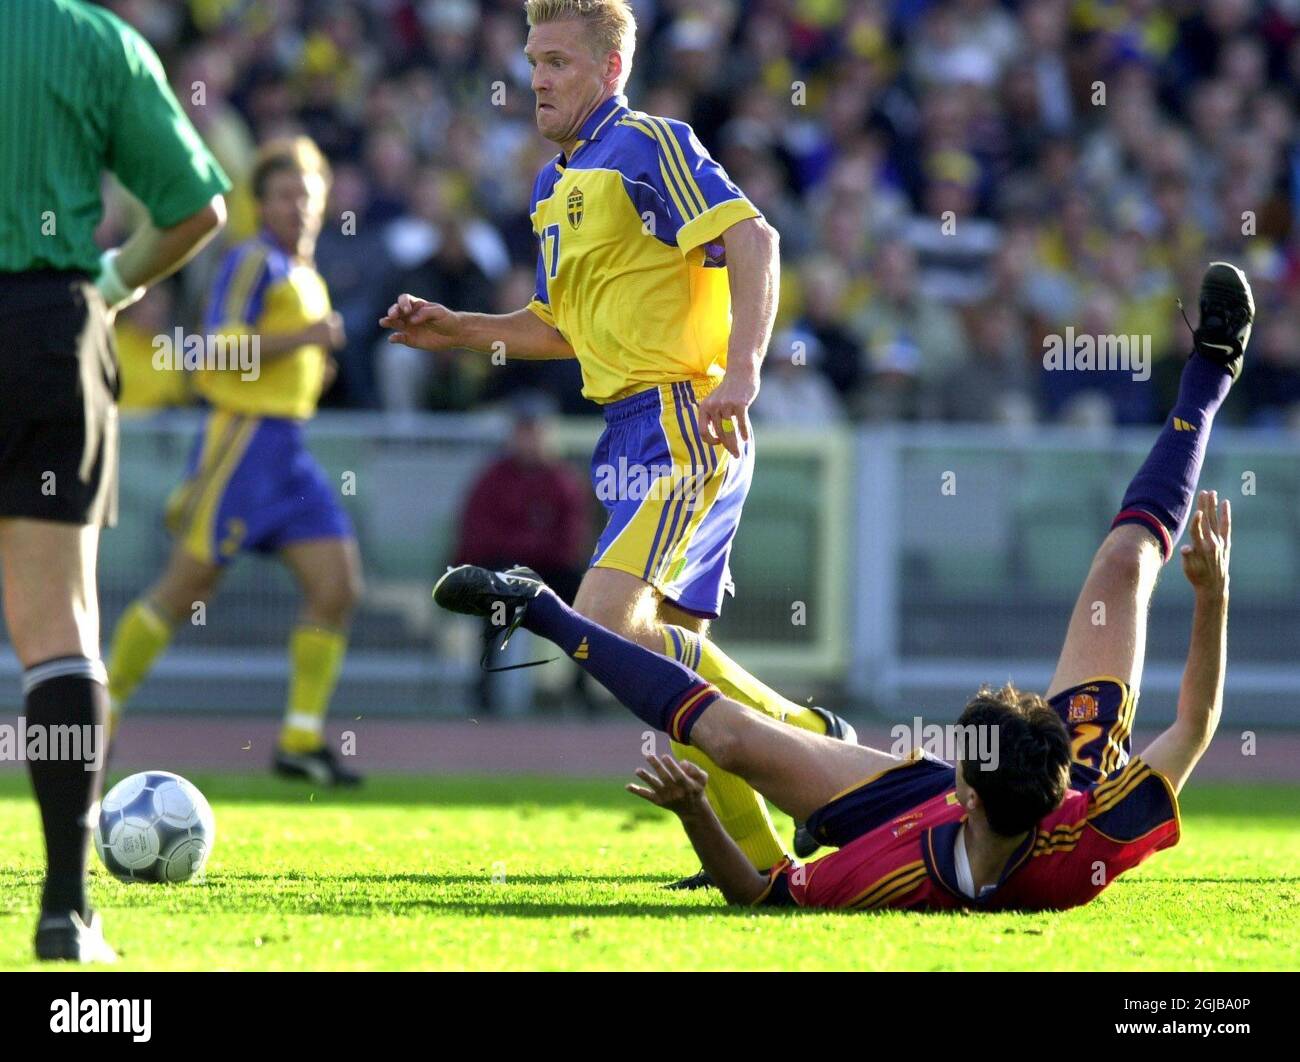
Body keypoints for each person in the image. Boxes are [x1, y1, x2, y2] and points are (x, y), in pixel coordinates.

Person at [433, 262, 1251, 911]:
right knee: (1124, 566)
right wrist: (1210, 597)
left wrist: (696, 813)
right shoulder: (1096, 829)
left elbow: (761, 893)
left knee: (731, 741)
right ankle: (1209, 381)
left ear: (961, 788)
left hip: (897, 805)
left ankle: (537, 607)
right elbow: (1196, 723)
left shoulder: (891, 871)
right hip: (1034, 779)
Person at [383, 0, 855, 878]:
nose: (536, 79)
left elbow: (754, 239)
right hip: (627, 431)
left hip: (685, 416)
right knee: (666, 676)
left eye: (557, 61)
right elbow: (558, 328)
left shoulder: (650, 143)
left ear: (609, 69)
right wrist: (454, 328)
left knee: (611, 628)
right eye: (532, 61)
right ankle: (765, 872)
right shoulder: (552, 182)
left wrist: (746, 370)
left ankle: (805, 734)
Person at [0, 0, 229, 961]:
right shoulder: (91, 37)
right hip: (46, 328)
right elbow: (196, 205)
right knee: (59, 627)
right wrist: (109, 283)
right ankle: (65, 911)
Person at [106, 136, 364, 787]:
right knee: (184, 587)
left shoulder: (303, 270)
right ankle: (97, 717)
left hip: (288, 451)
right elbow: (215, 350)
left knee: (336, 587)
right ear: (261, 204)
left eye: (307, 194)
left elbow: (274, 354)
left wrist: (313, 367)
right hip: (242, 444)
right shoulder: (252, 260)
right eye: (284, 195)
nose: (298, 206)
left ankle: (300, 740)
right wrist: (306, 340)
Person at [451, 394, 594, 713]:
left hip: (549, 575)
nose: (529, 438)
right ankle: (484, 692)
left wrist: (525, 548)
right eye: (523, 430)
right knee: (492, 601)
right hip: (505, 574)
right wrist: (526, 548)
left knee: (585, 602)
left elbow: (570, 543)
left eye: (536, 430)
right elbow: (478, 536)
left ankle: (579, 689)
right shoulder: (492, 478)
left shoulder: (563, 481)